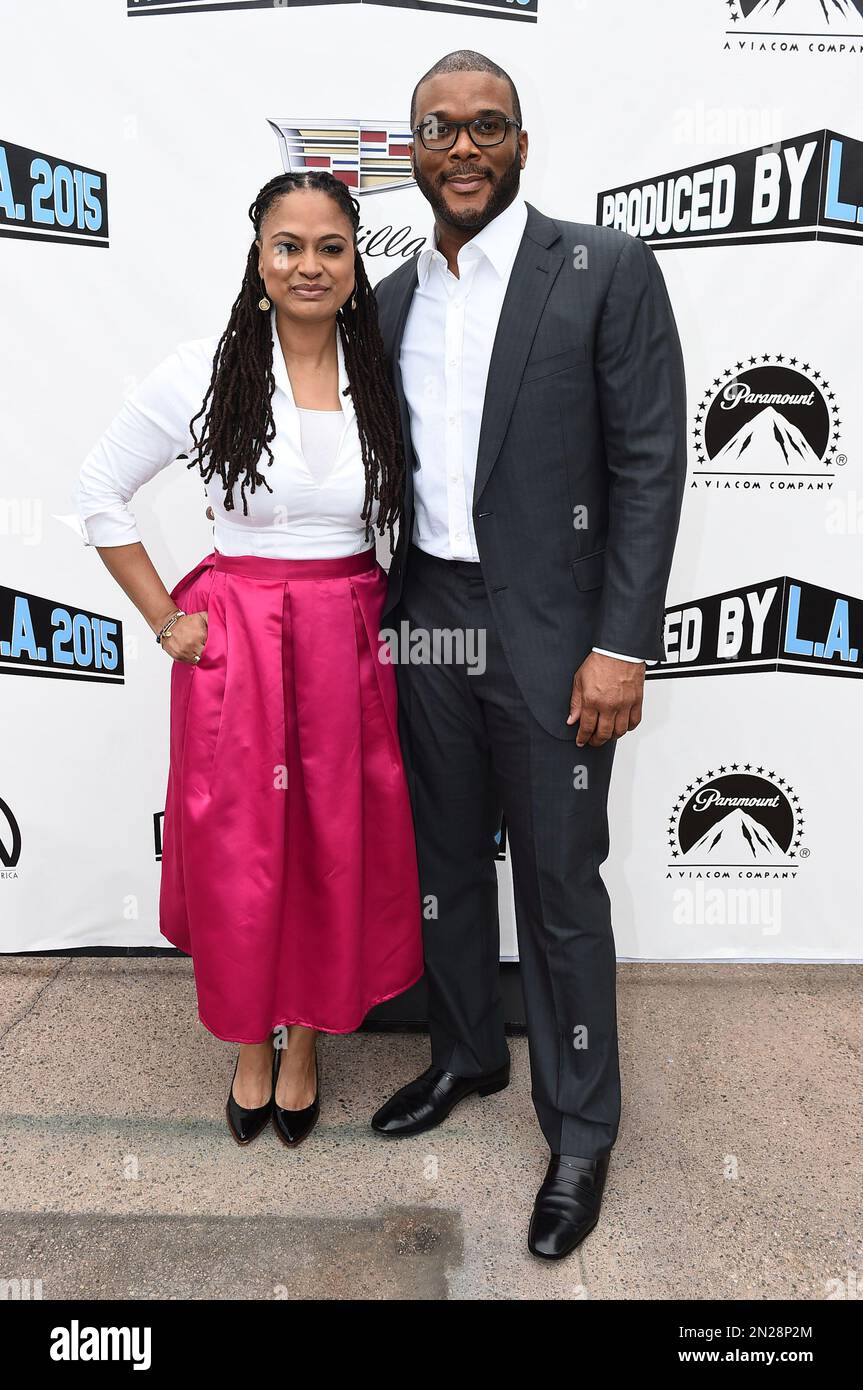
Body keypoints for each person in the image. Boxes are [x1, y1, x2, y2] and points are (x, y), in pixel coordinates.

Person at [371, 51, 687, 1259]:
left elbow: (649, 464)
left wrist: (619, 644)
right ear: (410, 150)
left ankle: (580, 1129)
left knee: (557, 883)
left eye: (485, 126)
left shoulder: (600, 269)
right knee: (444, 854)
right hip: (429, 614)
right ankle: (464, 1052)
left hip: (555, 632)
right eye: (438, 128)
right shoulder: (392, 297)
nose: (461, 146)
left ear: (519, 143)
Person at [72, 171, 424, 1149]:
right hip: (235, 646)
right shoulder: (200, 371)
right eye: (287, 245)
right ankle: (248, 1042)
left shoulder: (383, 380)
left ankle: (303, 1042)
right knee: (239, 855)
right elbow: (99, 493)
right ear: (258, 257)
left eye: (329, 247)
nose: (308, 264)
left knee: (326, 847)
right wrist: (163, 618)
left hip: (344, 635)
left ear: (355, 264)